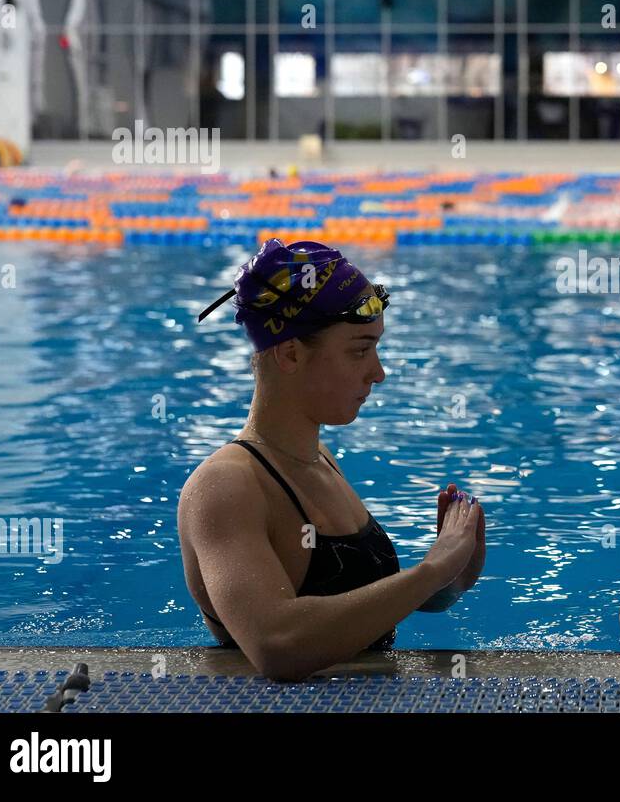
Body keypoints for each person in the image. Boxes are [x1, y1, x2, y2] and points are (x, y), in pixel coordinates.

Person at [179, 238, 485, 681]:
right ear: (290, 354)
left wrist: (451, 575)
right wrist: (431, 569)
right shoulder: (227, 487)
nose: (377, 372)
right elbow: (277, 645)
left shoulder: (317, 459)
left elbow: (360, 607)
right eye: (359, 350)